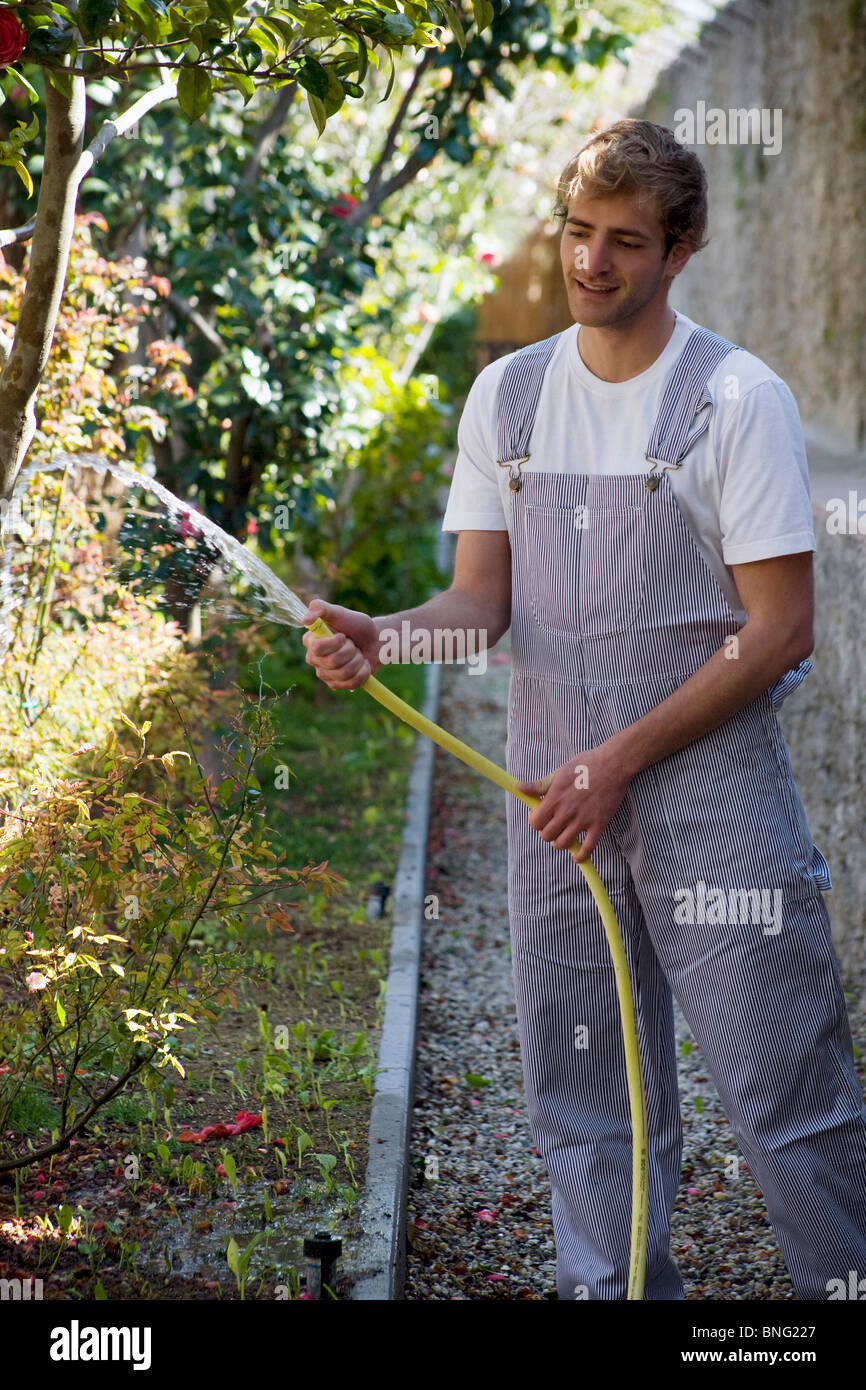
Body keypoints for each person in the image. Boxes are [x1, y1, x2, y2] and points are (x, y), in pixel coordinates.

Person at [301, 119, 866, 1300]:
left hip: (711, 804)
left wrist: (617, 760)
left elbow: (779, 631)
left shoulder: (733, 403)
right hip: (552, 802)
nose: (590, 264)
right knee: (583, 1094)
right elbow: (475, 606)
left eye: (623, 242)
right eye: (575, 233)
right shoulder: (505, 401)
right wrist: (383, 638)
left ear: (681, 248)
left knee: (785, 1091)